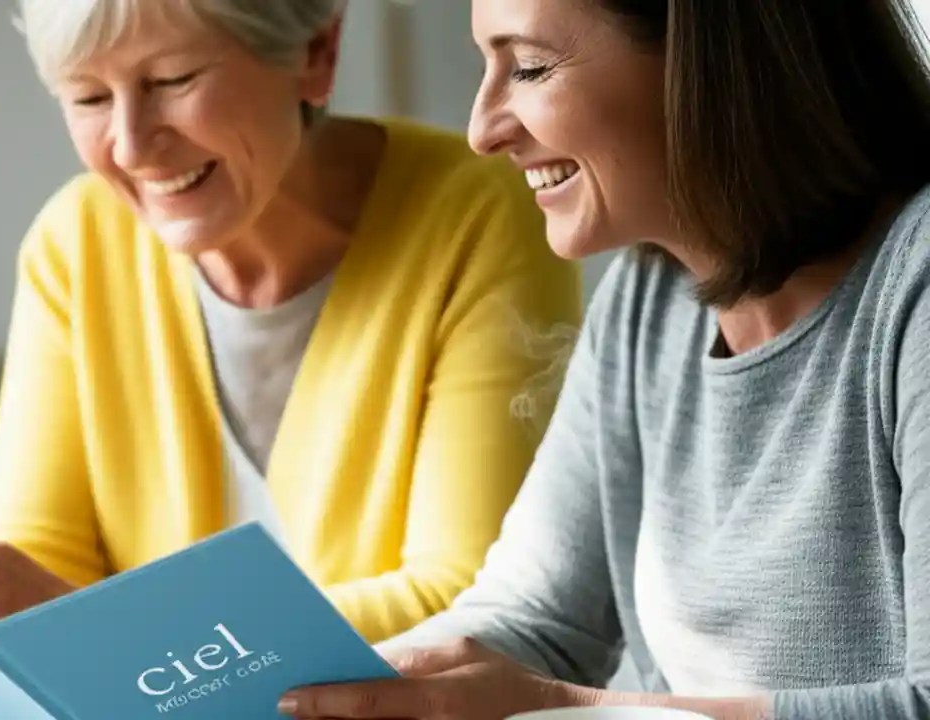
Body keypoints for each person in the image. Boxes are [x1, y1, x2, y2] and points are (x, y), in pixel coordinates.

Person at [0, 0, 582, 717]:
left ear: (315, 55)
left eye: (173, 81)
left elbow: (466, 600)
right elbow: (31, 570)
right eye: (88, 96)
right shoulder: (75, 242)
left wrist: (110, 637)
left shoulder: (481, 211)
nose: (133, 146)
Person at [275, 0, 930, 719]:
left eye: (527, 67)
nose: (483, 129)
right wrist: (333, 697)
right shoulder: (649, 301)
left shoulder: (915, 287)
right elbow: (533, 619)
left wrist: (574, 708)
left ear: (706, 61)